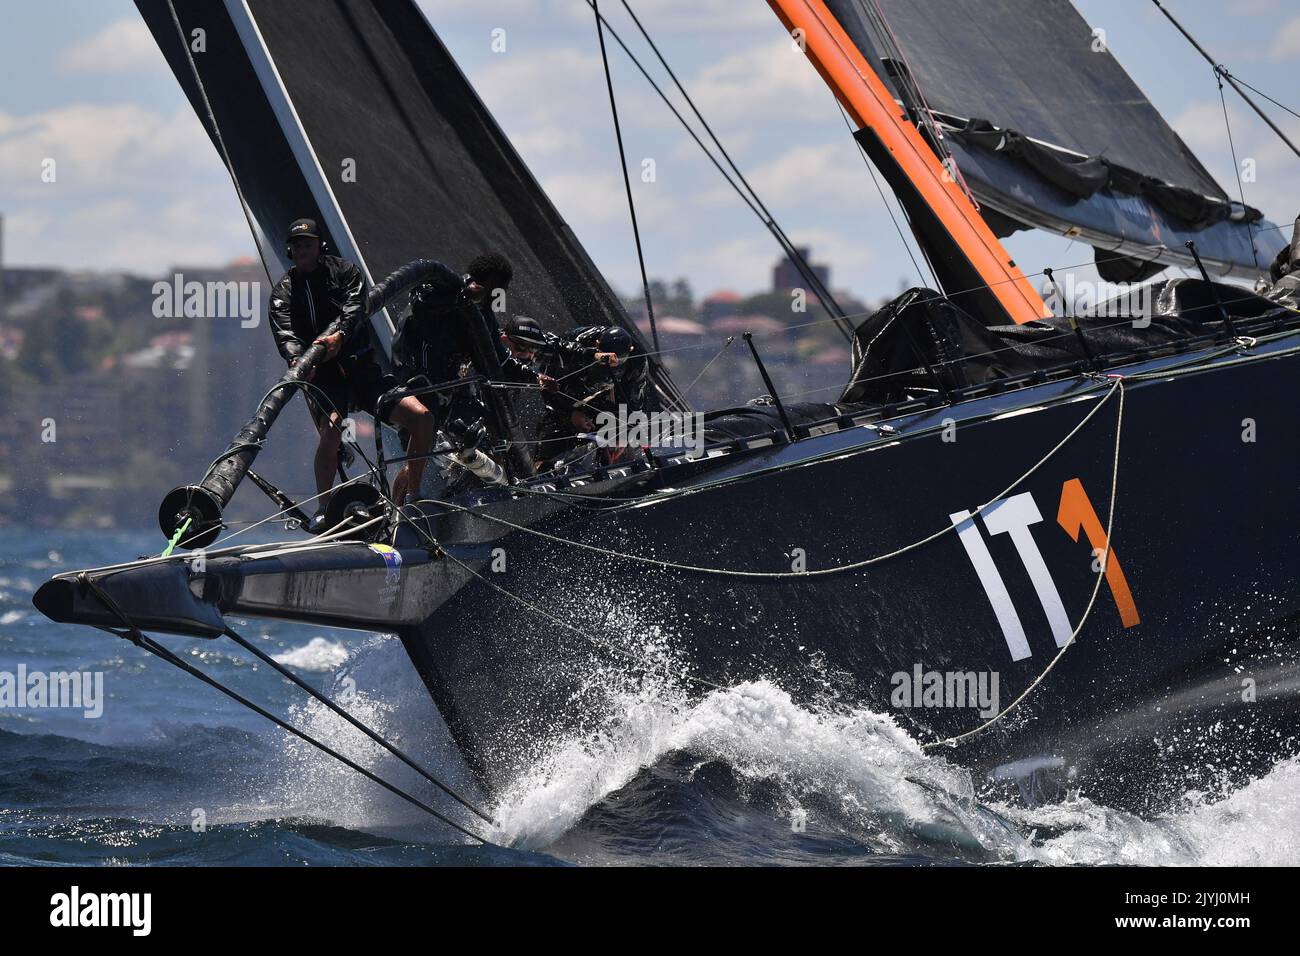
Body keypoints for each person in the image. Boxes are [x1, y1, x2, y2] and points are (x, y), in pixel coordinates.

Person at [268, 218, 432, 526]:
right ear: (290, 250)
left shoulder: (345, 272)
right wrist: (296, 361)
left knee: (422, 418)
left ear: (320, 245)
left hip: (361, 368)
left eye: (308, 244)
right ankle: (325, 510)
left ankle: (413, 497)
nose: (302, 249)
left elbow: (355, 306)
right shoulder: (284, 292)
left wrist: (340, 335)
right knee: (331, 430)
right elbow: (285, 334)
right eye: (296, 245)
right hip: (322, 377)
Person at [388, 254, 544, 498]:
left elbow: (498, 357)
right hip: (419, 383)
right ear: (492, 282)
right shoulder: (443, 287)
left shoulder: (484, 312)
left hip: (454, 386)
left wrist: (533, 377)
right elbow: (419, 304)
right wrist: (461, 296)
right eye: (502, 287)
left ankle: (486, 493)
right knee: (421, 448)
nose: (503, 293)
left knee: (491, 428)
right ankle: (401, 506)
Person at [533, 324, 647, 471]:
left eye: (616, 361)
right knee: (546, 453)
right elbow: (546, 384)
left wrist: (623, 434)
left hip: (604, 403)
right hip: (565, 401)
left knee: (624, 449)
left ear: (630, 351)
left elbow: (634, 401)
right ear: (597, 344)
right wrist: (571, 414)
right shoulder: (575, 344)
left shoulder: (636, 358)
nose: (611, 365)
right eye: (607, 359)